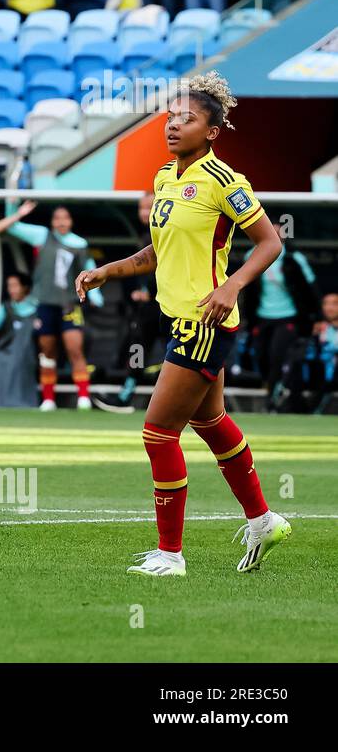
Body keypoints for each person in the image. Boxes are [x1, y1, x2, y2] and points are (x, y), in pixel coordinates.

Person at [75, 72, 291, 577]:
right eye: (171, 116)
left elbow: (270, 243)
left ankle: (171, 555)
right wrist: (109, 269)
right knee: (210, 422)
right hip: (180, 319)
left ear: (212, 131)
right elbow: (159, 251)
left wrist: (232, 285)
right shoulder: (164, 178)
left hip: (204, 321)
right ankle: (263, 520)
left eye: (186, 119)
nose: (173, 125)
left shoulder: (225, 182)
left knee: (157, 433)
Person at [0, 200, 104, 410]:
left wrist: (96, 295)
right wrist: (16, 209)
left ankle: (84, 397)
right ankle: (48, 399)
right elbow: (13, 228)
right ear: (52, 222)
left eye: (65, 218)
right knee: (47, 351)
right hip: (46, 305)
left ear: (71, 221)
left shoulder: (79, 244)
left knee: (74, 349)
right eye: (57, 218)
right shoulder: (42, 236)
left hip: (69, 305)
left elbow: (89, 268)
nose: (61, 222)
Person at [94, 191, 163, 414]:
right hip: (149, 309)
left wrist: (151, 293)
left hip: (168, 306)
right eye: (141, 208)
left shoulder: (165, 234)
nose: (144, 212)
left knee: (182, 352)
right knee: (137, 347)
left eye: (149, 207)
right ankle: (126, 395)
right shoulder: (145, 236)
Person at [242, 223, 320, 399]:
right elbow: (247, 291)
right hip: (262, 316)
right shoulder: (250, 255)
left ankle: (273, 394)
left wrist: (318, 317)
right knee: (261, 355)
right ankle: (270, 383)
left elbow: (311, 289)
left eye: (278, 233)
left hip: (288, 316)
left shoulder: (294, 259)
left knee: (277, 354)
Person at [0, 271, 40, 407]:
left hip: (28, 354)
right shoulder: (5, 307)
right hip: (5, 351)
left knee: (16, 363)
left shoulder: (37, 307)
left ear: (24, 287)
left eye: (14, 285)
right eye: (9, 286)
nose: (11, 290)